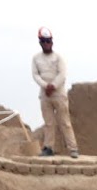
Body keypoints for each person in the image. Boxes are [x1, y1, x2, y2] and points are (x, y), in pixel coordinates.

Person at [32, 26, 79, 158]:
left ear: (52, 41)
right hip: (44, 94)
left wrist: (53, 85)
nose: (47, 43)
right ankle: (48, 147)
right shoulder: (36, 59)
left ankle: (73, 148)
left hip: (58, 93)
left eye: (48, 41)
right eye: (44, 41)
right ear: (40, 42)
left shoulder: (58, 58)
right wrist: (45, 86)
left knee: (64, 121)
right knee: (49, 123)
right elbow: (35, 75)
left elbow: (62, 74)